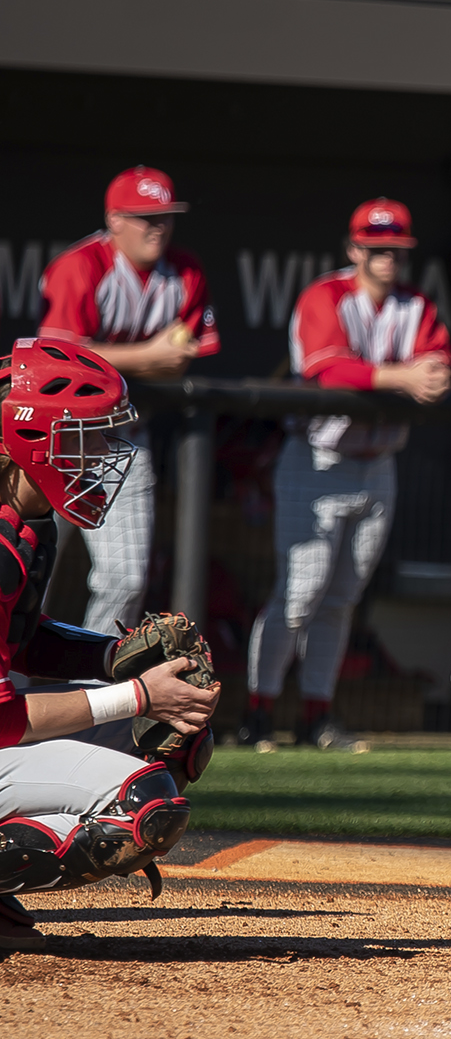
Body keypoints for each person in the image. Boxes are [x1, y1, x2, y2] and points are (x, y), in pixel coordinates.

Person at [0, 338, 221, 950]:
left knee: (178, 738)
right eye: (84, 436)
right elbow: (3, 719)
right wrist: (136, 694)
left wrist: (109, 660)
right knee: (143, 808)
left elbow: (17, 644)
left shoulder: (23, 521)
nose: (100, 453)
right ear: (33, 439)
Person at [241, 199, 451, 754]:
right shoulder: (325, 295)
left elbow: (439, 369)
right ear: (354, 249)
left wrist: (402, 378)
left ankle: (316, 715)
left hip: (378, 463)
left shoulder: (417, 305)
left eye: (395, 249)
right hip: (318, 459)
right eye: (375, 248)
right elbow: (327, 370)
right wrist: (400, 376)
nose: (386, 258)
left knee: (341, 600)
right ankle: (258, 714)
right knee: (299, 593)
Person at [37, 166, 220, 633]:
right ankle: (9, 688)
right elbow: (60, 357)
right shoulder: (81, 266)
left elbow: (183, 357)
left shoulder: (186, 272)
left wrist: (140, 360)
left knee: (126, 578)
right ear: (114, 219)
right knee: (30, 571)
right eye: (145, 217)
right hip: (54, 441)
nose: (157, 227)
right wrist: (149, 356)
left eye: (165, 216)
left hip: (122, 440)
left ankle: (95, 693)